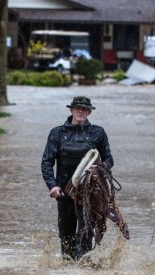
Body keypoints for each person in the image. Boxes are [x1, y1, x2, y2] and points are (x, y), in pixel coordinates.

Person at [40, 95, 114, 260]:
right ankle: (68, 268)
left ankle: (82, 269)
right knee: (66, 233)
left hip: (88, 193)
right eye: (77, 108)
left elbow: (109, 159)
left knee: (86, 232)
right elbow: (46, 162)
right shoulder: (57, 133)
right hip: (64, 192)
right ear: (71, 110)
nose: (80, 111)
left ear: (89, 112)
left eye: (84, 109)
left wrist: (100, 168)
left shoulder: (98, 132)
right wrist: (52, 186)